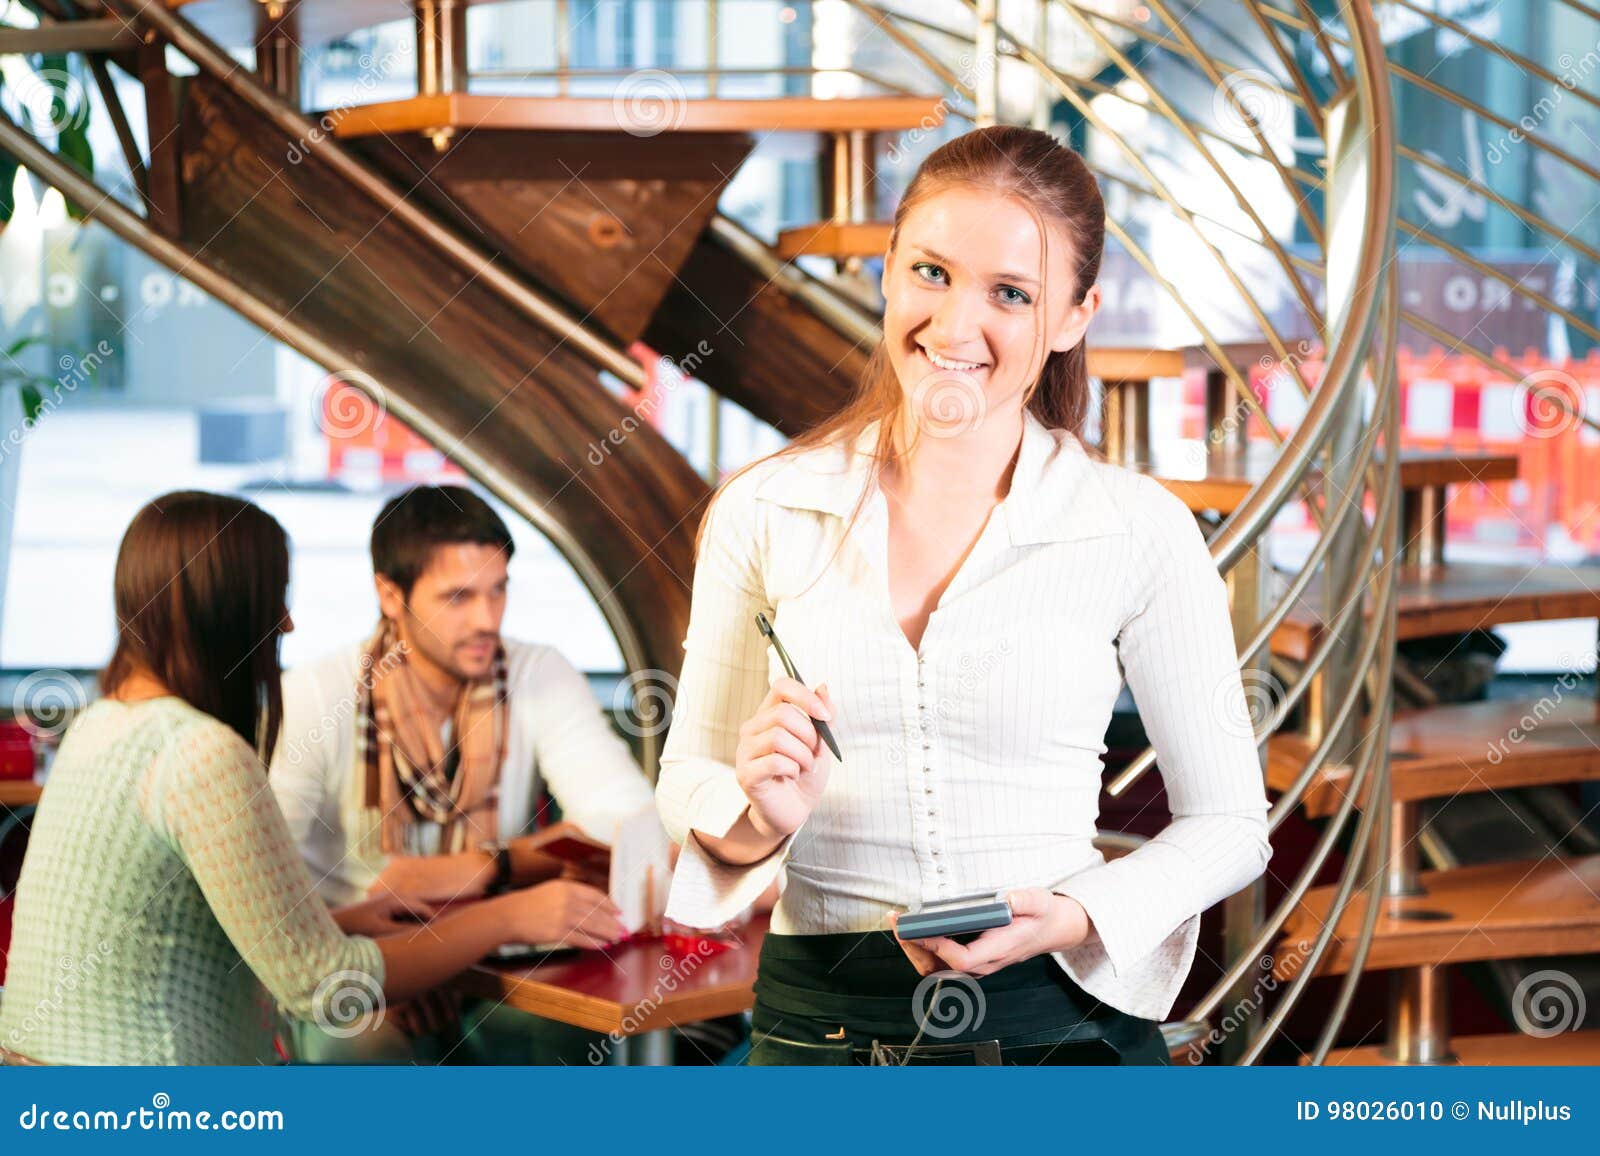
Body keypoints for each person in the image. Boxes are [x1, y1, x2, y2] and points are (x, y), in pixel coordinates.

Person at [656, 125, 1273, 1066]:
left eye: (1011, 294)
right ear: (889, 270)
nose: (952, 328)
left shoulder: (1136, 527)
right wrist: (756, 820)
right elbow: (686, 780)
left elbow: (1232, 824)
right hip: (822, 1028)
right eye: (931, 272)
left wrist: (1073, 914)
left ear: (1073, 317)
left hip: (1059, 1027)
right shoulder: (766, 508)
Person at [0, 492, 625, 1066]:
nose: (287, 623)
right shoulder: (204, 754)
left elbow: (225, 923)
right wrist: (513, 915)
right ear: (227, 610)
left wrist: (349, 921)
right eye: (274, 596)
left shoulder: (98, 724)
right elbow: (323, 984)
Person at [269, 484, 656, 1064]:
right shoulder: (316, 696)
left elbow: (630, 822)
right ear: (390, 595)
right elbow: (270, 896)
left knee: (563, 1037)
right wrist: (396, 968)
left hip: (496, 957)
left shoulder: (536, 673)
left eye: (498, 591)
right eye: (458, 597)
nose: (487, 619)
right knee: (359, 1047)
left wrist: (485, 869)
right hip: (356, 958)